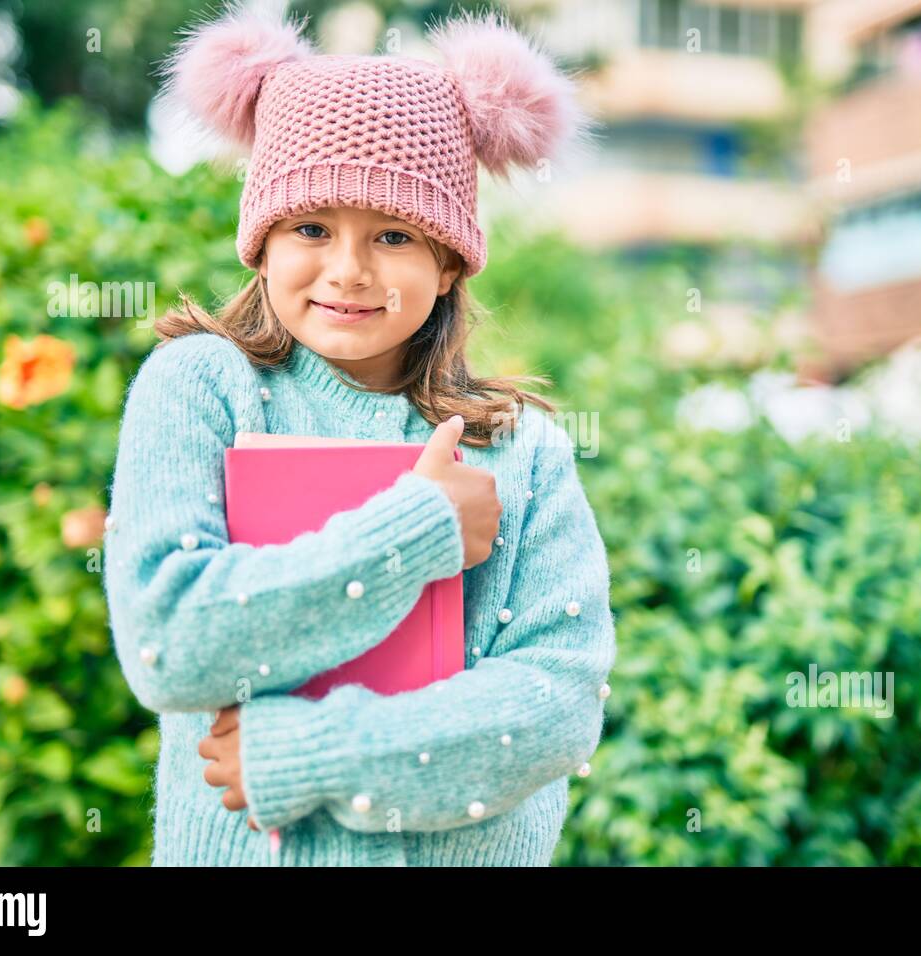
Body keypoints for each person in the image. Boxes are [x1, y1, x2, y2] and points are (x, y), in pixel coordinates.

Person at [102, 4, 616, 866]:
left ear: (449, 260)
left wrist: (308, 755)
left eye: (394, 235)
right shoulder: (201, 388)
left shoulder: (523, 450)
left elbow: (555, 703)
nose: (348, 268)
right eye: (311, 227)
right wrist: (417, 532)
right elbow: (168, 641)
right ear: (261, 242)